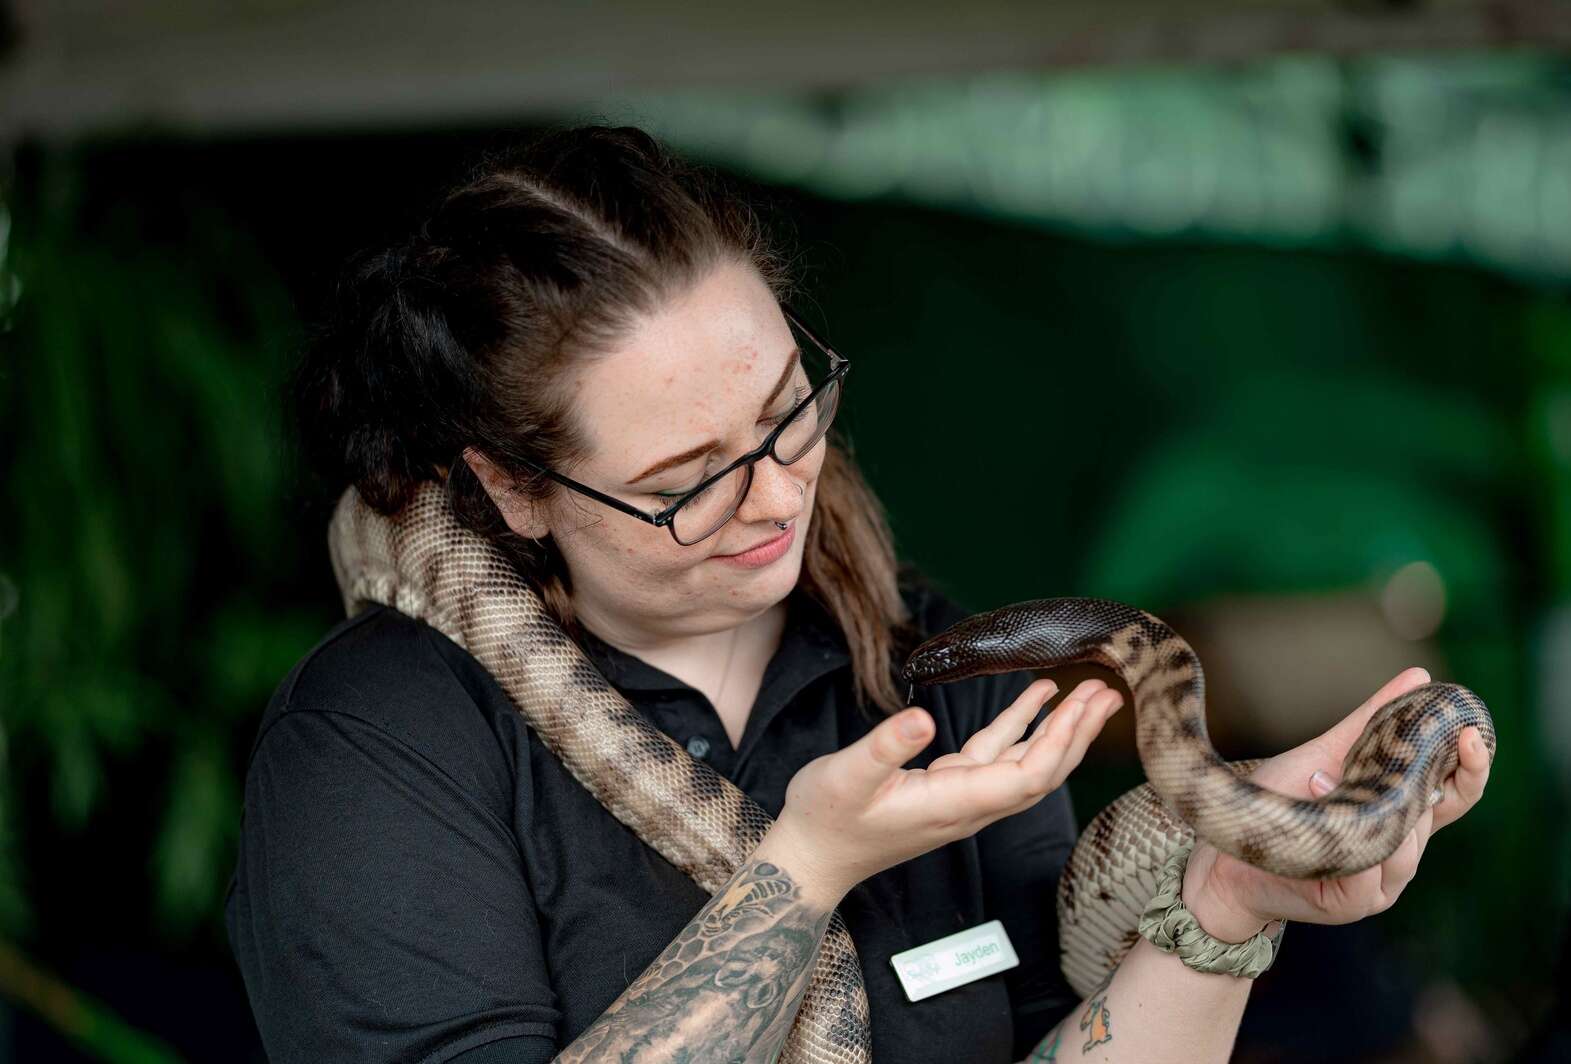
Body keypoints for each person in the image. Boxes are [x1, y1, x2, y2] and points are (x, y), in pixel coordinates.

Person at [223, 124, 1492, 1064]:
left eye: (789, 413)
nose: (777, 495)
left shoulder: (936, 662)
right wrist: (807, 866)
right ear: (513, 488)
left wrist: (1228, 894)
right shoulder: (381, 738)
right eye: (686, 481)